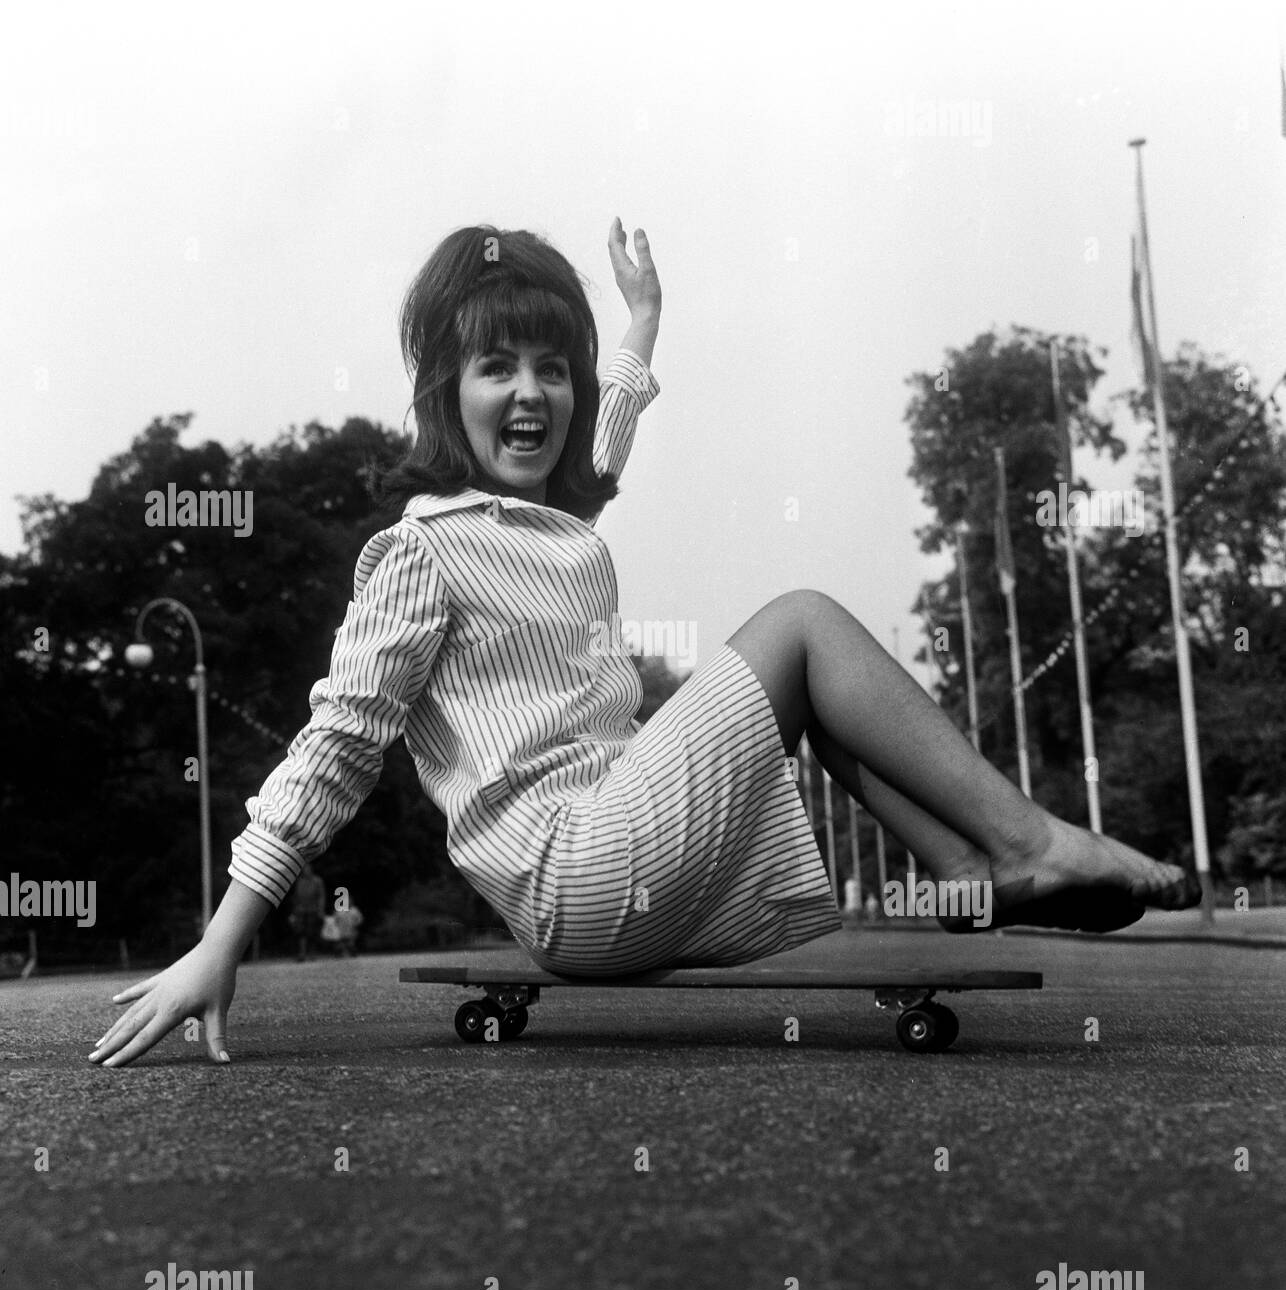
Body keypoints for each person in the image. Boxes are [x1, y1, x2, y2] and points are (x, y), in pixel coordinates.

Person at [91, 219, 1199, 1068]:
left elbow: (599, 441)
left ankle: (967, 867)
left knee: (809, 696)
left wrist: (636, 327)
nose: (533, 393)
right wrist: (221, 937)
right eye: (497, 369)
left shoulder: (553, 529)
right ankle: (1029, 841)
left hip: (609, 869)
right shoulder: (419, 554)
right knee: (803, 624)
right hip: (577, 872)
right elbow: (336, 744)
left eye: (552, 368)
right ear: (441, 391)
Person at [288, 863, 325, 962]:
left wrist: (320, 910)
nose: (306, 871)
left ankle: (312, 953)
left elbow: (321, 896)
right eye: (304, 869)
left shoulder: (317, 881)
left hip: (313, 910)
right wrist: (293, 913)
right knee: (300, 932)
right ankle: (302, 953)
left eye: (307, 869)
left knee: (312, 932)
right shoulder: (299, 881)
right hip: (300, 910)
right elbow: (295, 897)